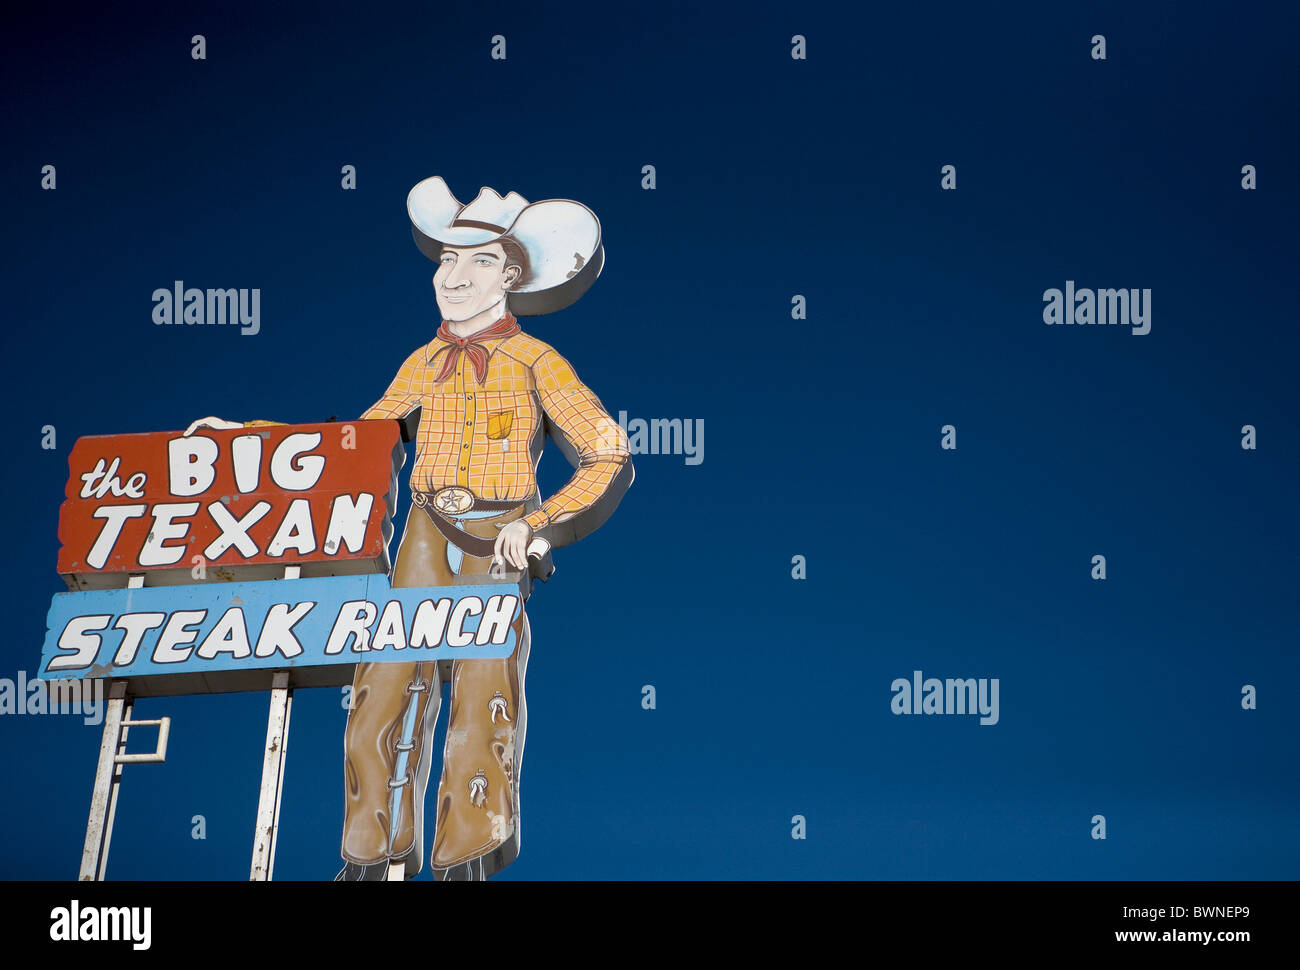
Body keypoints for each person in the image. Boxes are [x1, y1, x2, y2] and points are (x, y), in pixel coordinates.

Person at [186, 176, 632, 880]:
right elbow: (355, 441)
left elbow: (608, 453)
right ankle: (372, 853)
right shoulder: (424, 363)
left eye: (479, 260)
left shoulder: (537, 363)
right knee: (384, 681)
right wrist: (250, 441)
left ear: (513, 275)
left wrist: (539, 526)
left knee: (484, 691)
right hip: (423, 531)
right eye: (446, 259)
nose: (454, 276)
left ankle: (468, 852)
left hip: (499, 536)